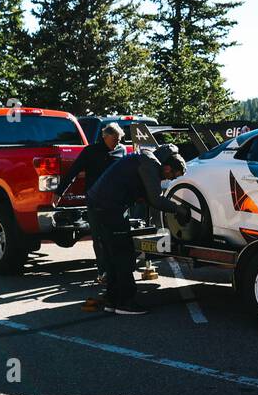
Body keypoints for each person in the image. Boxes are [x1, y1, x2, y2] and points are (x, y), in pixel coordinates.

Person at [88, 144, 189, 315]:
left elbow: (147, 196)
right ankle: (125, 303)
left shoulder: (145, 158)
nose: (169, 179)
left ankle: (112, 300)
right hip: (110, 207)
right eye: (172, 175)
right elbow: (156, 200)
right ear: (167, 167)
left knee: (113, 255)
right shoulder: (150, 164)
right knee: (123, 254)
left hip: (99, 205)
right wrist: (179, 209)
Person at [56, 122, 125, 300]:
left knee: (116, 236)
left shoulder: (121, 151)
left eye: (119, 139)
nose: (117, 143)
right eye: (114, 139)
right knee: (99, 237)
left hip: (116, 201)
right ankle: (103, 271)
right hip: (95, 201)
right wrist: (58, 193)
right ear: (105, 136)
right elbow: (73, 172)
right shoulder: (90, 152)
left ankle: (116, 270)